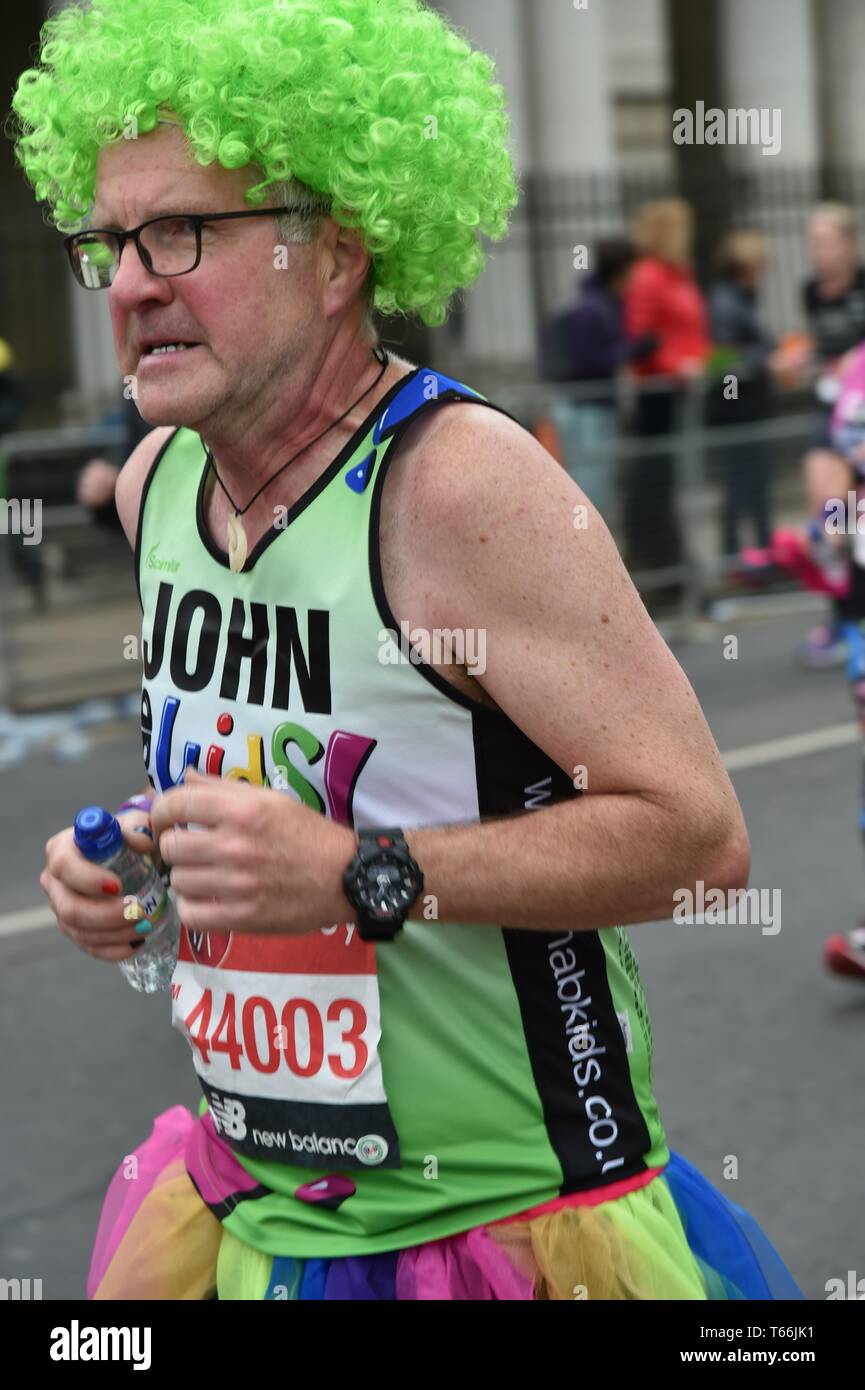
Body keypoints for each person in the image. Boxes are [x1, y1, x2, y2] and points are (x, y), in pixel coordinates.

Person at [17, 0, 801, 1301]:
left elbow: (697, 838)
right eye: (111, 242)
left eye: (183, 232)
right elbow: (287, 772)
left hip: (508, 1233)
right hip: (245, 1214)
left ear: (334, 254)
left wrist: (357, 873)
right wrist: (139, 865)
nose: (136, 280)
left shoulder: (459, 487)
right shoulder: (160, 481)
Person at [622, 199, 710, 607]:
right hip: (659, 392)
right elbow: (642, 339)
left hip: (682, 390)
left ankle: (679, 577)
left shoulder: (678, 274)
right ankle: (669, 576)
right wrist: (678, 366)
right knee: (659, 483)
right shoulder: (649, 276)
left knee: (676, 481)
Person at [793, 204, 865, 668]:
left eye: (825, 241)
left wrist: (853, 360)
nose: (817, 251)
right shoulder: (810, 292)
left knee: (855, 514)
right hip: (831, 406)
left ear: (848, 243)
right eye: (812, 242)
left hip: (861, 404)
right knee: (828, 512)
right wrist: (803, 360)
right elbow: (818, 346)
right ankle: (843, 614)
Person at [538, 238, 656, 517]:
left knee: (590, 484)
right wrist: (634, 350)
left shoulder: (598, 303)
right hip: (587, 408)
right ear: (623, 270)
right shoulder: (594, 308)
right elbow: (589, 360)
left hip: (586, 406)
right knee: (589, 489)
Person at [706, 231, 777, 560]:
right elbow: (723, 359)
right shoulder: (727, 303)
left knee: (753, 483)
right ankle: (740, 556)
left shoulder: (739, 299)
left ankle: (761, 552)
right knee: (742, 484)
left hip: (747, 406)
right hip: (736, 410)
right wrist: (766, 359)